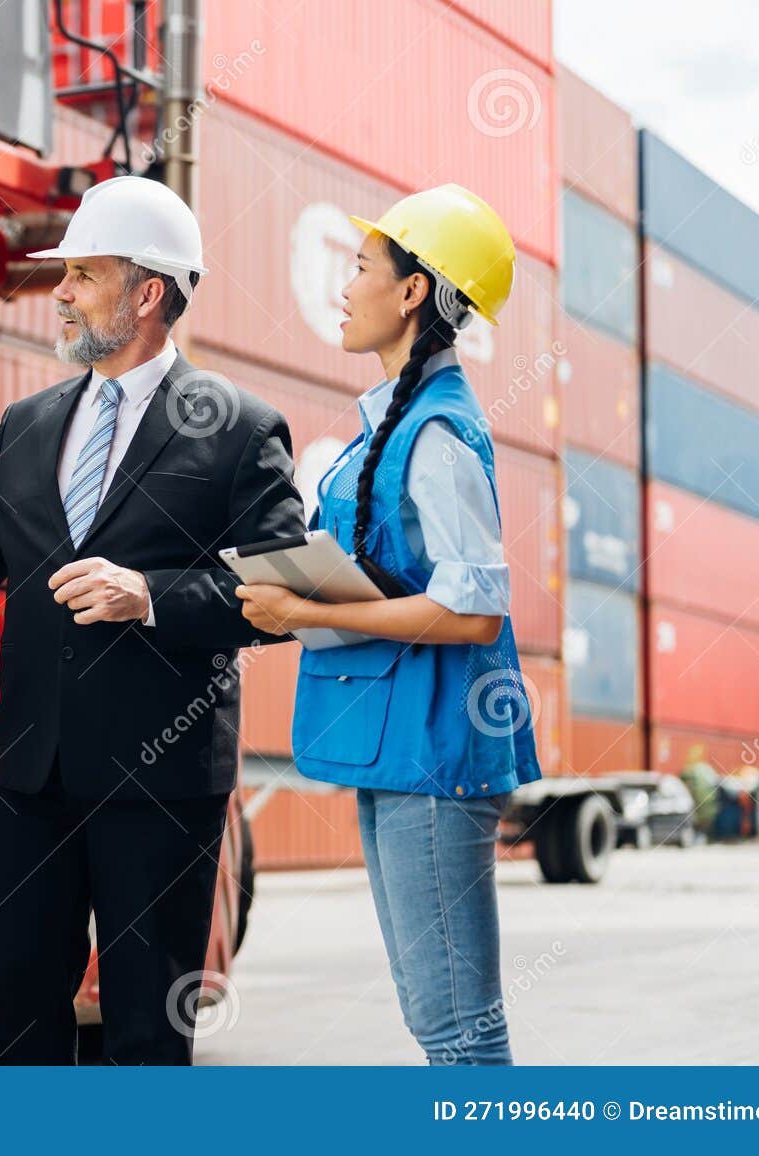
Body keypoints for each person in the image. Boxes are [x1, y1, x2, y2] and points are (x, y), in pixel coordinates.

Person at [0, 176, 306, 1064]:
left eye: (82, 273)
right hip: (34, 778)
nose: (61, 292)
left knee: (146, 1033)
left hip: (162, 786)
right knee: (19, 1026)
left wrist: (147, 595)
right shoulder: (28, 424)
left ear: (148, 293)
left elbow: (281, 594)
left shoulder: (237, 429)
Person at [235, 184, 541, 1065]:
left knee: (458, 1026)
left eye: (362, 266)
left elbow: (475, 611)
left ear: (412, 293)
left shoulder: (438, 434)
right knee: (435, 1016)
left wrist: (303, 607)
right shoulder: (392, 426)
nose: (345, 286)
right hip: (404, 745)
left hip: (437, 752)